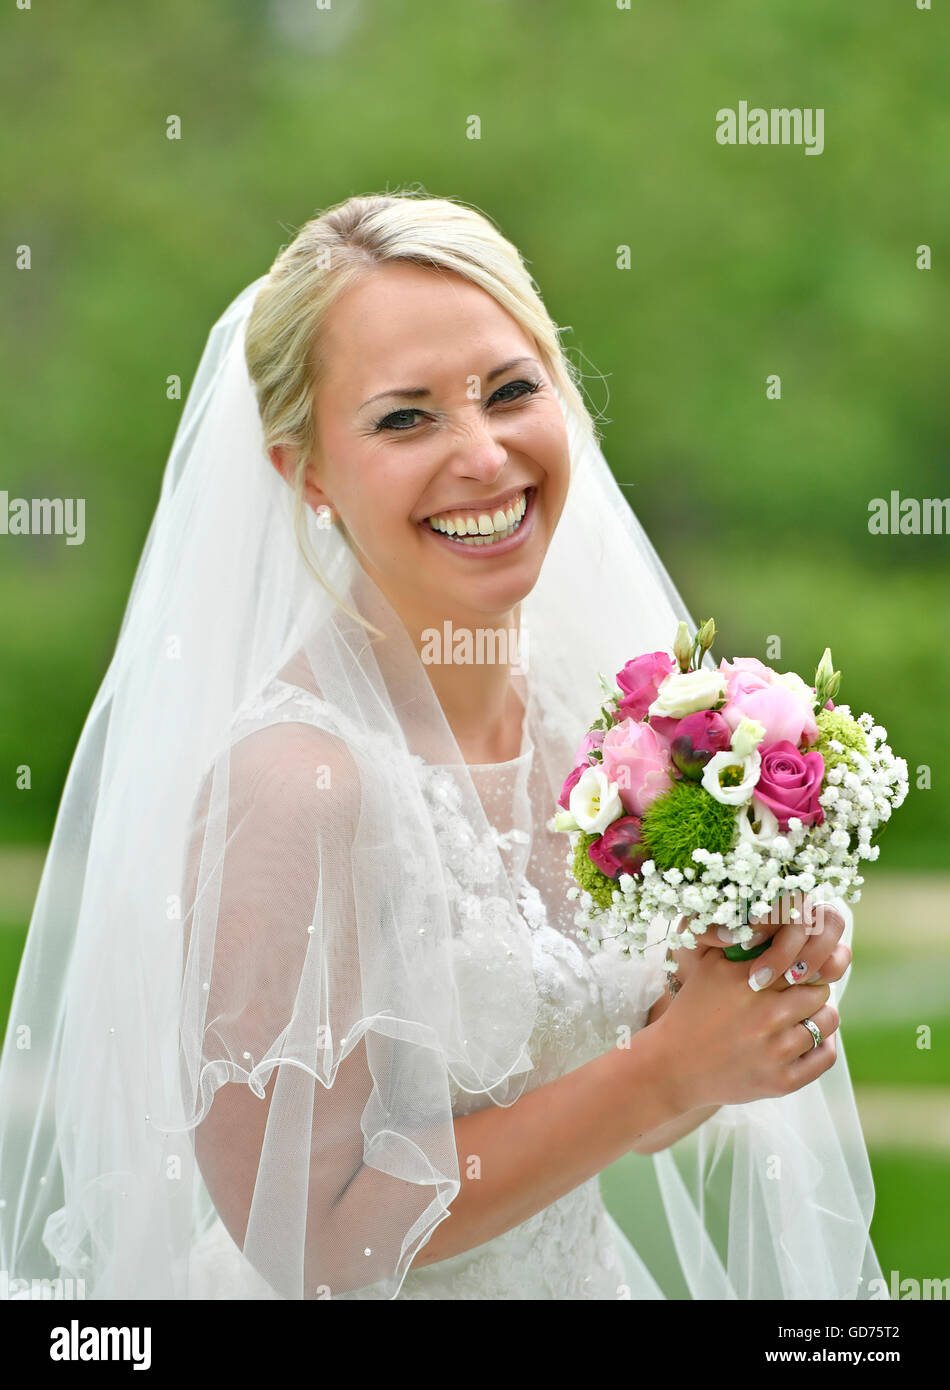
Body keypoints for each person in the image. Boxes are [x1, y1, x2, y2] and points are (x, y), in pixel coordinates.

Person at [0, 191, 884, 1300]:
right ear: (304, 471)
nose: (482, 454)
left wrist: (729, 1013)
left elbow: (610, 1103)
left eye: (510, 391)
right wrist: (659, 1073)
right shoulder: (296, 784)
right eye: (403, 418)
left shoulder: (597, 732)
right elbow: (311, 1245)